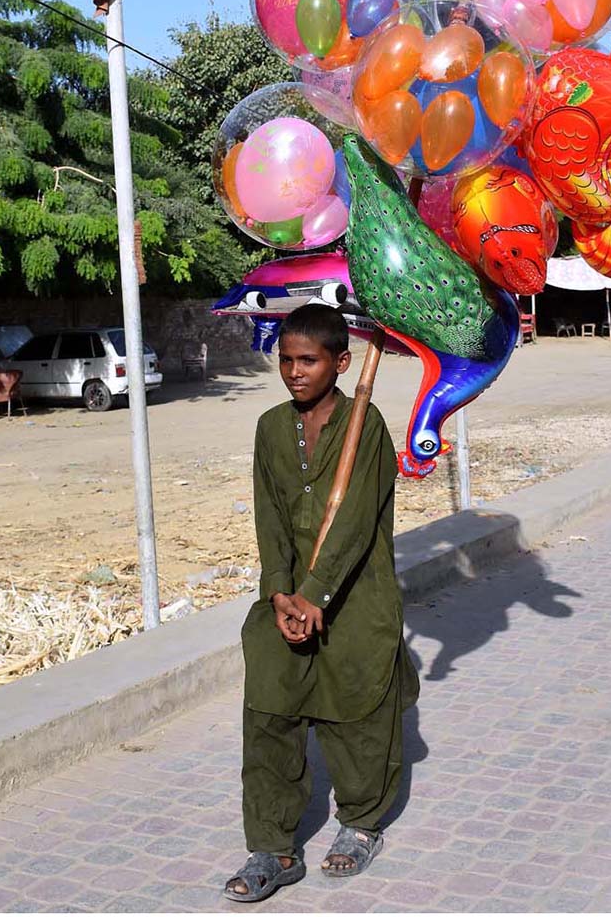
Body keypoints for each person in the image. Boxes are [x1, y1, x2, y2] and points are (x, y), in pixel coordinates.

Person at [225, 305, 419, 904]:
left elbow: (356, 522)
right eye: (285, 359)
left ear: (341, 363)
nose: (293, 371)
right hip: (287, 598)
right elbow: (271, 517)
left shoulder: (369, 426)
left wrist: (316, 595)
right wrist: (282, 591)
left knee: (357, 715)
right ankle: (273, 847)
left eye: (307, 360)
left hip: (356, 601)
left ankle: (361, 824)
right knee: (269, 715)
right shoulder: (269, 428)